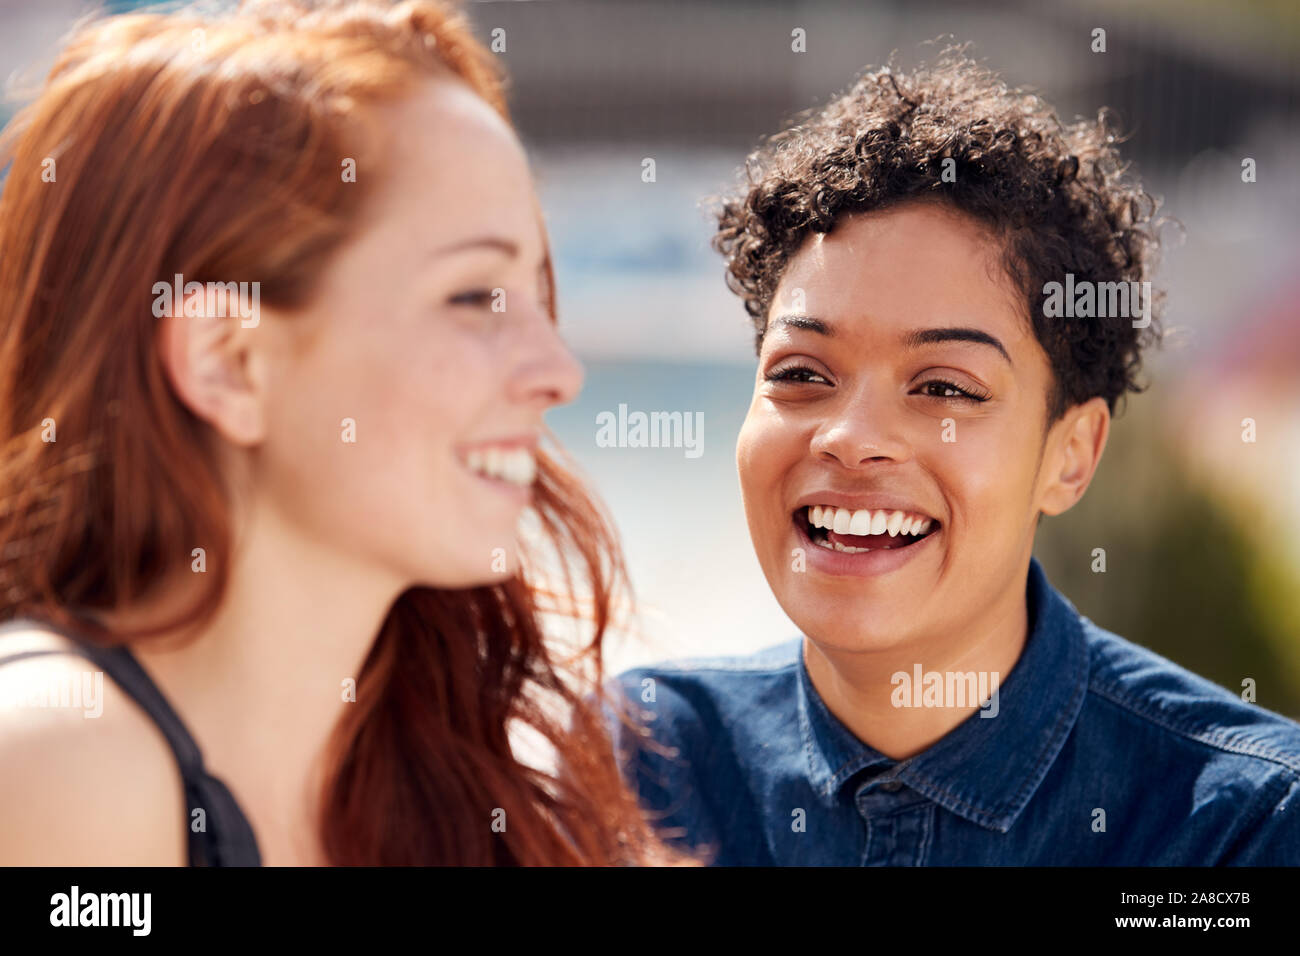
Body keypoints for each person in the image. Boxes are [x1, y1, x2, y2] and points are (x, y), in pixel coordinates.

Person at [0, 0, 678, 866]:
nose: (559, 371)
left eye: (538, 297)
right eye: (474, 297)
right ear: (229, 363)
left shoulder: (437, 782)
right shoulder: (58, 768)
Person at [610, 51, 1300, 865]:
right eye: (801, 374)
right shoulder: (632, 765)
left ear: (1070, 457)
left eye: (944, 388)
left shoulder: (1243, 828)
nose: (850, 436)